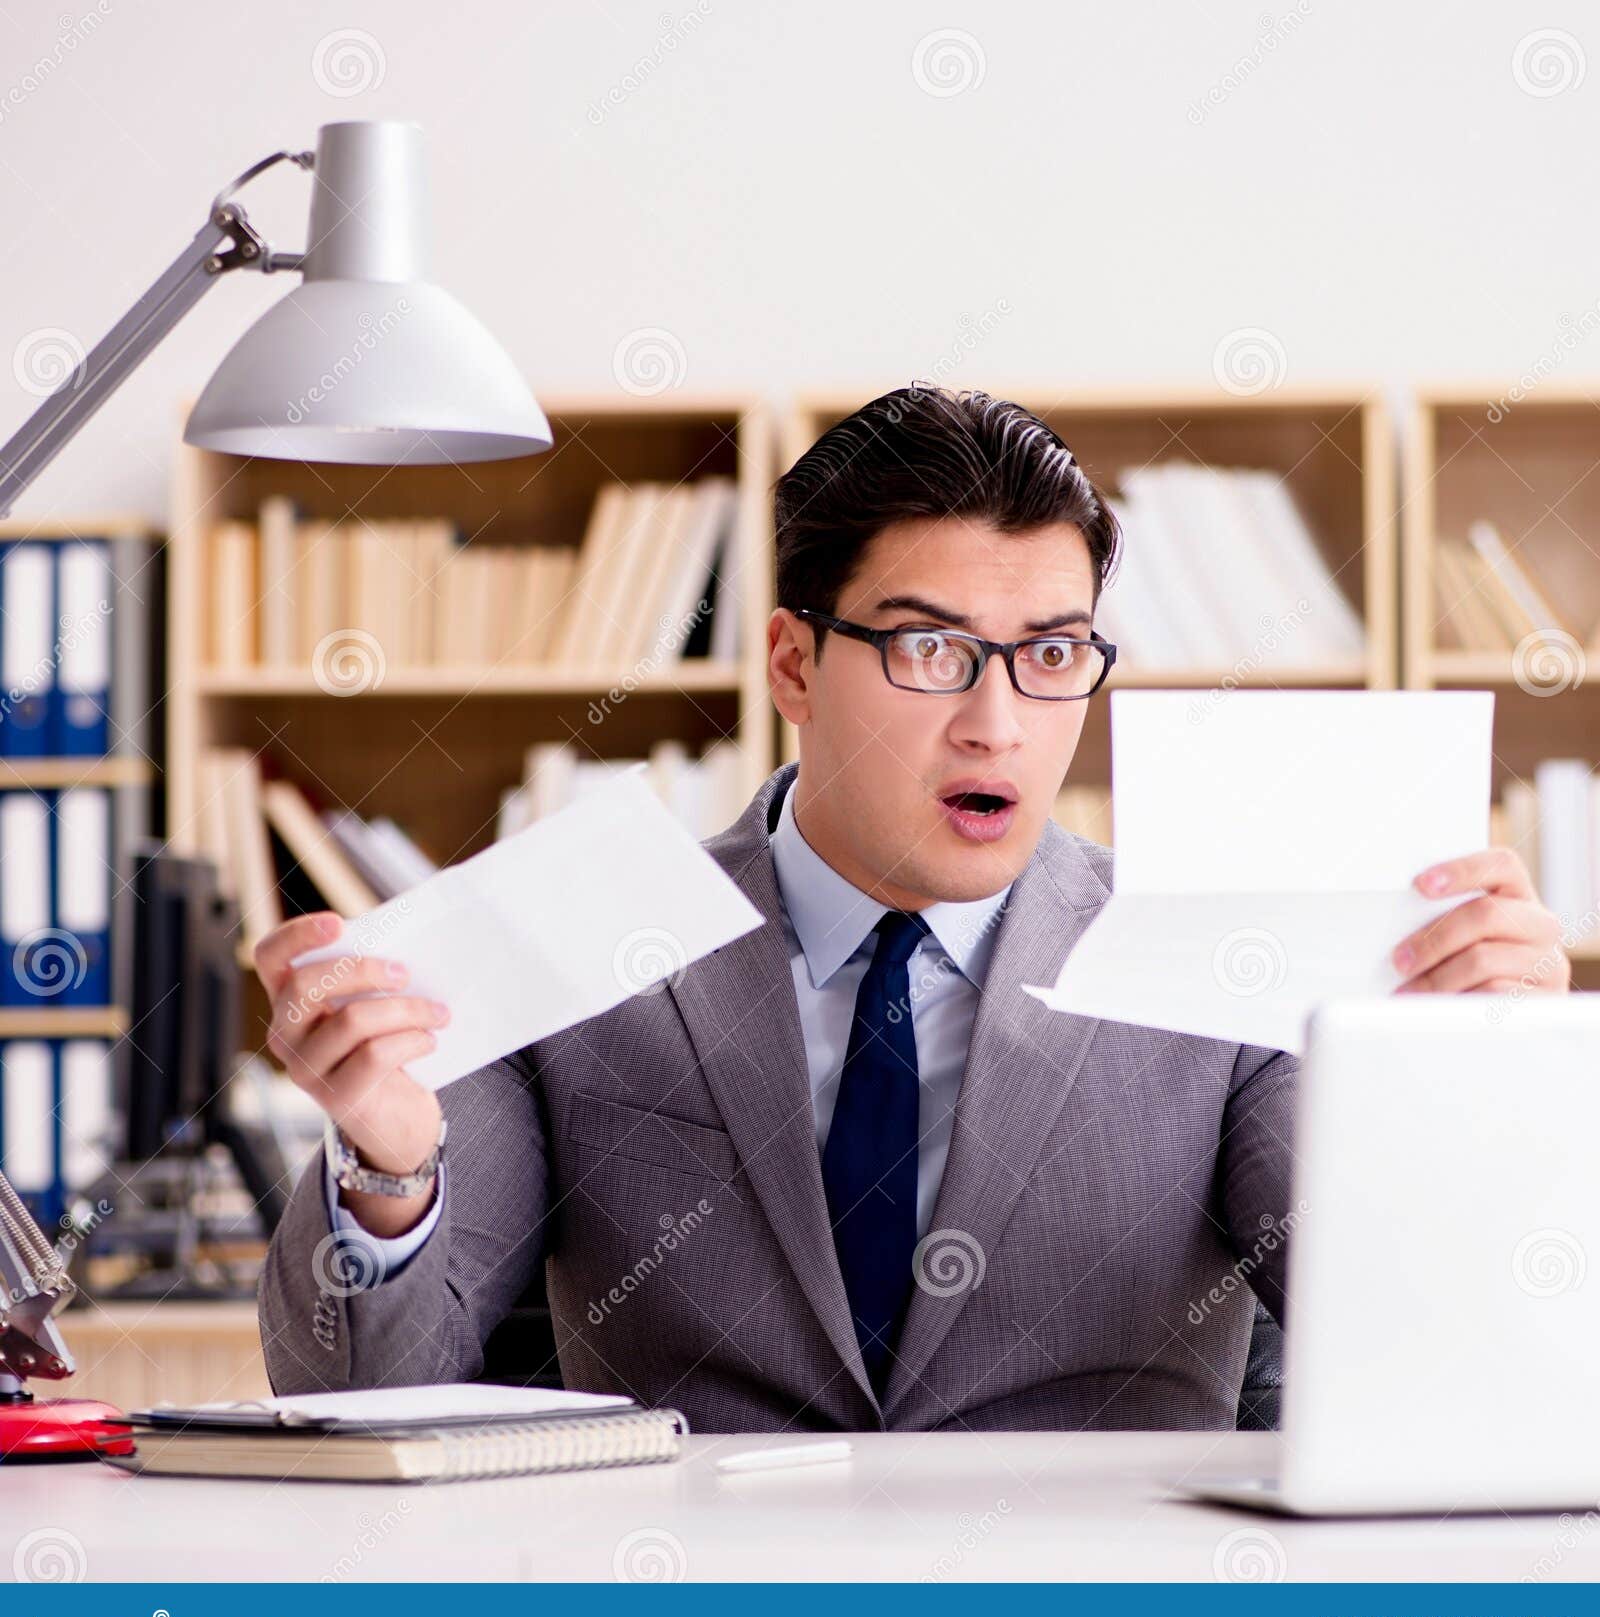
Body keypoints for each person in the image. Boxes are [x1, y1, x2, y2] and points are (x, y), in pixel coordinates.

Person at [255, 386, 1571, 1432]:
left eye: (1051, 653)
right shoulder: (590, 943)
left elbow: (1429, 1365)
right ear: (793, 662)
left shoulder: (1218, 961)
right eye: (928, 648)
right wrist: (386, 1164)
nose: (996, 724)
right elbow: (360, 1403)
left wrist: (1476, 1094)